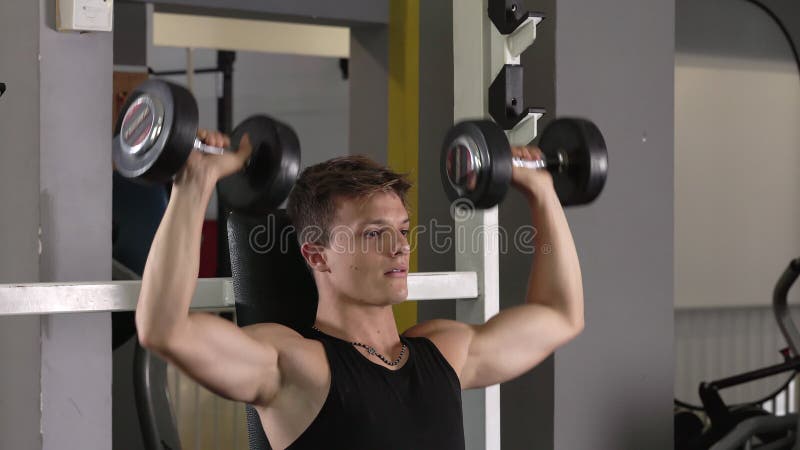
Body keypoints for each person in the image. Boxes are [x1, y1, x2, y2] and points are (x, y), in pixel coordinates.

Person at [136, 130, 585, 450]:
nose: (400, 248)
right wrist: (194, 185)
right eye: (374, 234)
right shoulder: (298, 367)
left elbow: (561, 313)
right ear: (317, 256)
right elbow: (164, 330)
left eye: (403, 230)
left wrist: (541, 191)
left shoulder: (444, 352)